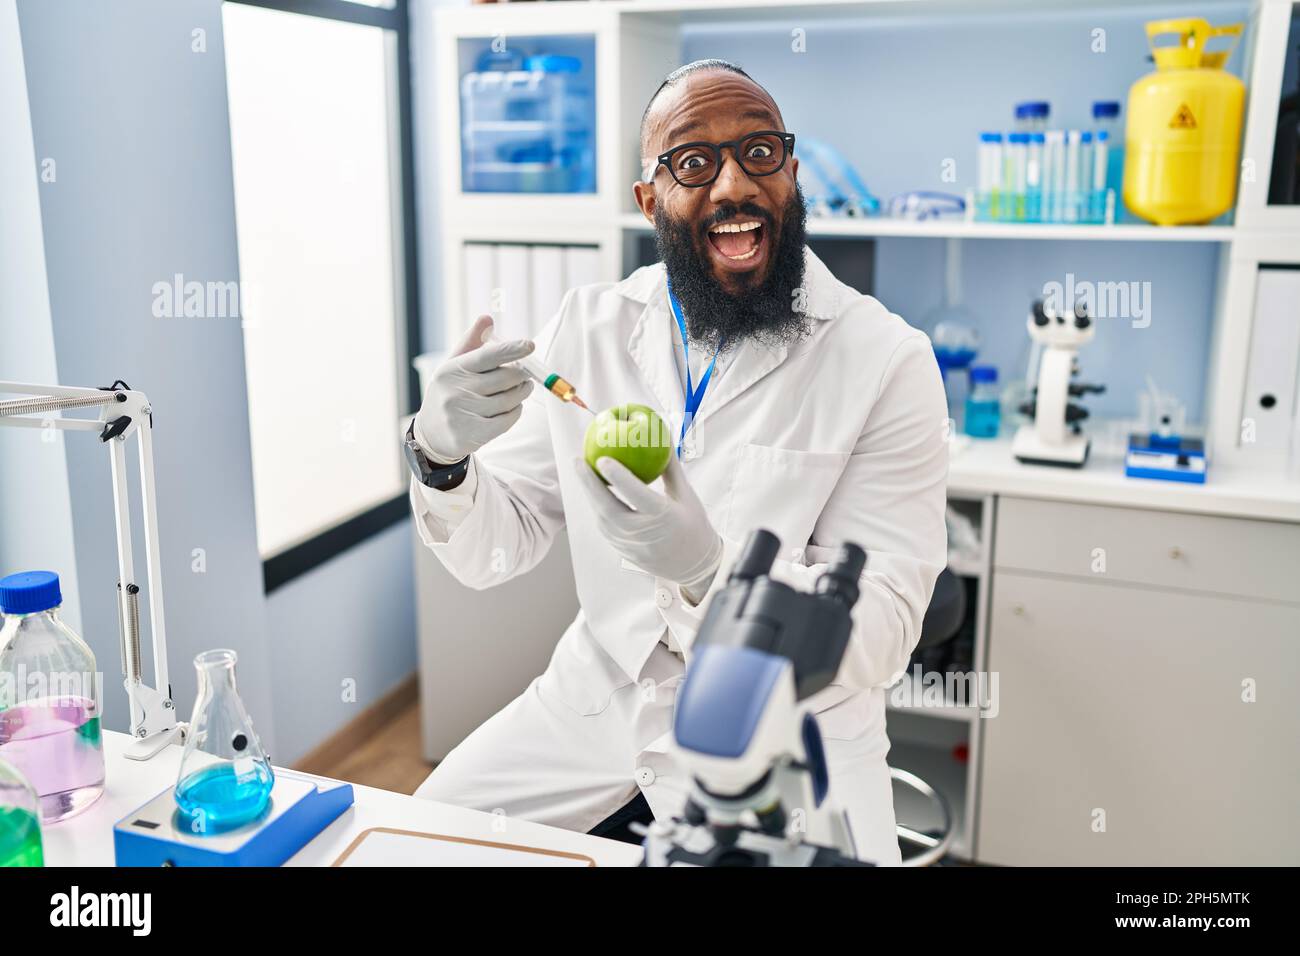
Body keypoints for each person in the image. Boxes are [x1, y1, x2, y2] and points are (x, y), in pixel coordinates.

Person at [404, 59, 947, 865]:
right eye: (693, 162)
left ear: (792, 176)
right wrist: (439, 456)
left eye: (760, 152)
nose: (734, 182)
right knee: (417, 842)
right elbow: (496, 547)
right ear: (650, 200)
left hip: (788, 727)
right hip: (600, 693)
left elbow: (882, 634)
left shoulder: (886, 359)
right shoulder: (587, 326)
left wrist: (708, 573)